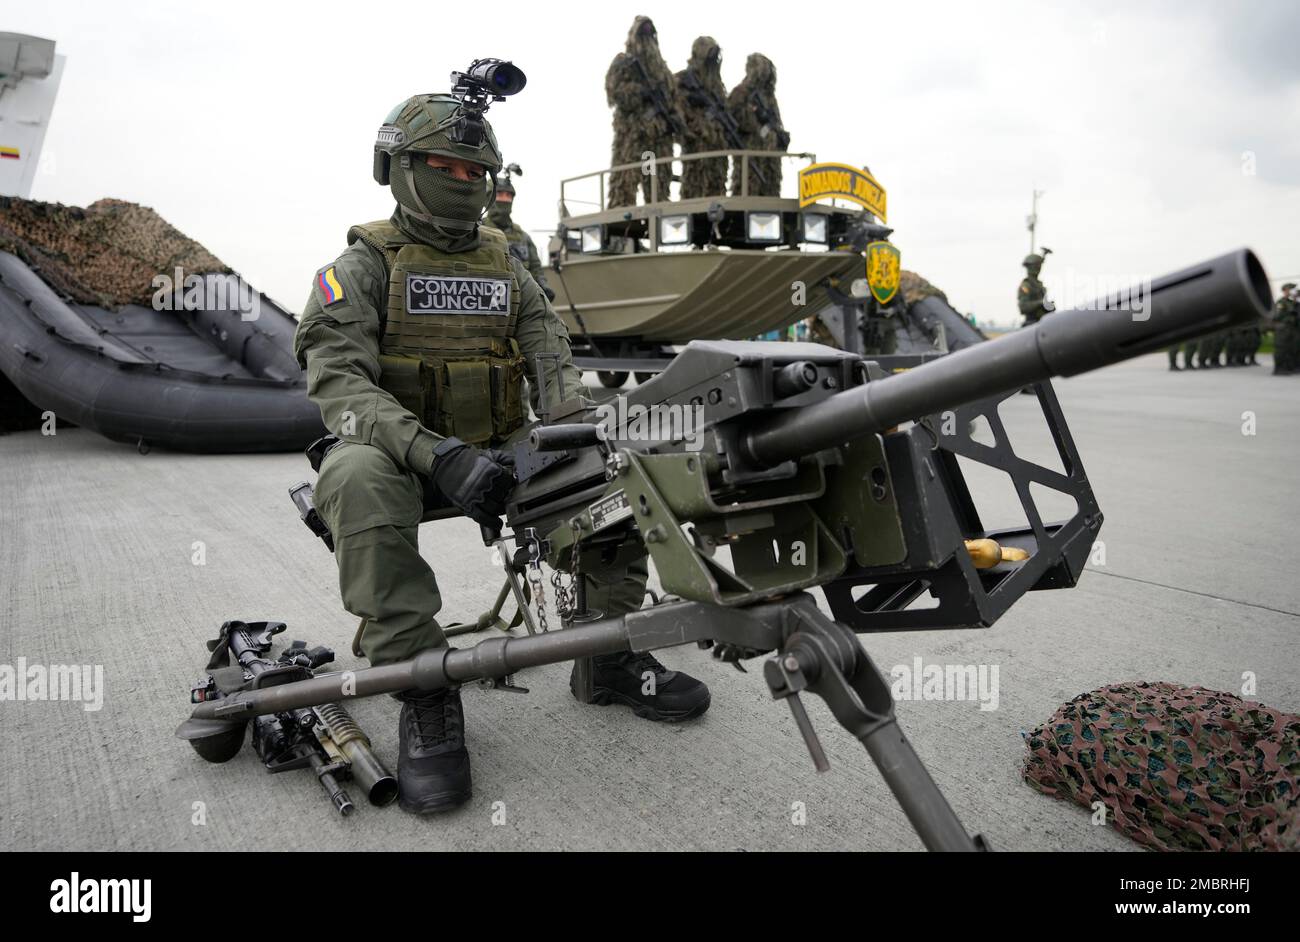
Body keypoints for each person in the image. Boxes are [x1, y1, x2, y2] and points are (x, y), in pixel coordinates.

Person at [293, 91, 710, 815]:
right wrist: (437, 454)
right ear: (398, 167)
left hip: (503, 453)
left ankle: (606, 655)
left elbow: (551, 356)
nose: (462, 181)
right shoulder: (359, 268)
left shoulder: (508, 266)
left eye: (473, 170)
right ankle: (423, 689)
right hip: (402, 462)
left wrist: (578, 433)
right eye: (445, 166)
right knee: (354, 474)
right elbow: (340, 388)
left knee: (612, 467)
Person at [605, 16, 681, 207]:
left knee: (656, 186)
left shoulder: (662, 71)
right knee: (625, 184)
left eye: (650, 33)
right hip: (632, 137)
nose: (646, 38)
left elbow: (673, 99)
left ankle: (656, 219)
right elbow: (614, 91)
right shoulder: (624, 62)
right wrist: (641, 92)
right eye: (643, 33)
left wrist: (674, 118)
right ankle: (622, 228)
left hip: (657, 142)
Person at [486, 164, 555, 302]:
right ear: (490, 197)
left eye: (508, 196)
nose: (505, 199)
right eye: (499, 194)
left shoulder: (522, 237)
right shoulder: (477, 231)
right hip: (491, 298)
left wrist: (543, 287)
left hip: (523, 298)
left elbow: (535, 268)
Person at [672, 36, 729, 200]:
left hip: (718, 146)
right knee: (694, 185)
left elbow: (725, 109)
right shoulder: (684, 79)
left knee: (717, 186)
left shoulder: (716, 85)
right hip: (697, 144)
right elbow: (675, 106)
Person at [727, 53, 787, 197]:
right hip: (750, 151)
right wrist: (752, 114)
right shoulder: (740, 93)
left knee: (770, 190)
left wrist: (778, 136)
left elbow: (776, 122)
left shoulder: (769, 98)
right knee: (746, 186)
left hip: (771, 154)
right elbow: (734, 119)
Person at [1017, 251, 1053, 326]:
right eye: (1037, 265)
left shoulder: (1040, 285)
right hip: (1031, 324)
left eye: (1039, 265)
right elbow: (1023, 307)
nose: (1039, 267)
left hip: (1043, 322)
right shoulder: (1026, 286)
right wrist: (1040, 303)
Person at [1273, 282, 1298, 376]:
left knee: (1289, 348)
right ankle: (1278, 369)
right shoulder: (1281, 302)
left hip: (1290, 328)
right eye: (1290, 289)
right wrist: (1289, 312)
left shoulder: (1292, 302)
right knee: (1281, 349)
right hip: (1282, 328)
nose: (1292, 291)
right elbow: (1277, 316)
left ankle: (1287, 367)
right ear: (1285, 290)